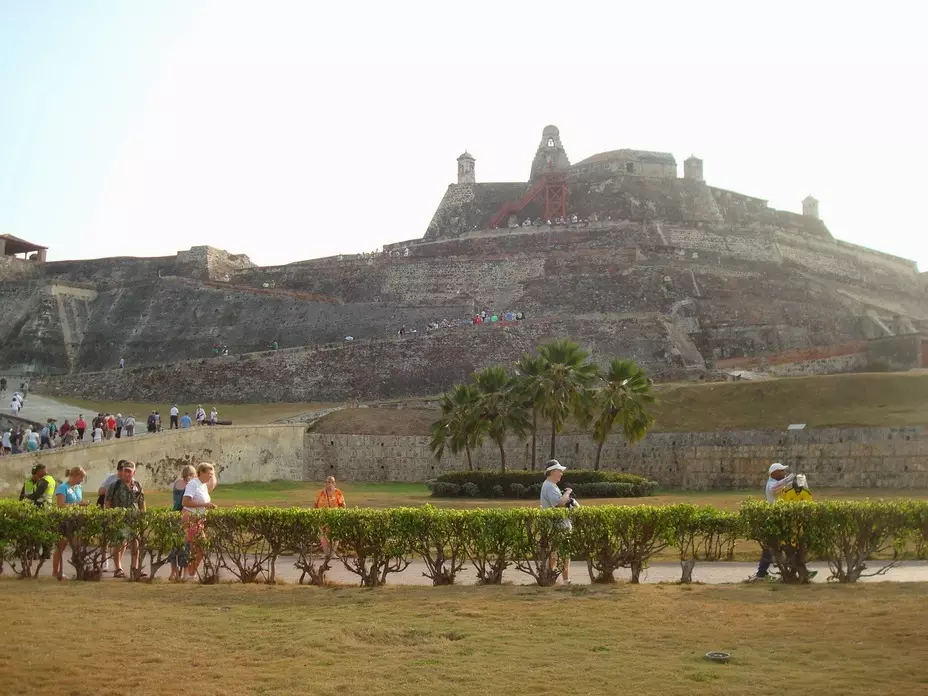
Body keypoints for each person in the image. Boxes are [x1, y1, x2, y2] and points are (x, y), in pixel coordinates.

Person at [748, 463, 817, 582]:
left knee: (788, 547)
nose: (784, 473)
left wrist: (799, 481)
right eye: (781, 471)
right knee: (771, 548)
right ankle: (762, 573)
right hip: (774, 520)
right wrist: (789, 478)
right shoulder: (771, 484)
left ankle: (800, 571)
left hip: (782, 520)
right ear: (774, 473)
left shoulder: (781, 484)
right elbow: (776, 488)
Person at [105, 460, 146, 579]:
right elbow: (107, 502)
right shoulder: (115, 486)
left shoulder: (137, 485)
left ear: (134, 472)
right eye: (125, 471)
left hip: (134, 519)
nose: (127, 474)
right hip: (120, 519)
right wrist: (111, 516)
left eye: (129, 471)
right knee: (120, 543)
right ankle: (118, 568)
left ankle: (134, 568)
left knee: (135, 544)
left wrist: (143, 516)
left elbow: (142, 502)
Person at [540, 459, 574, 585]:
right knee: (562, 552)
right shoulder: (549, 486)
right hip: (558, 524)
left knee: (555, 552)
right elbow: (559, 503)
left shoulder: (550, 486)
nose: (561, 474)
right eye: (559, 471)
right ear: (552, 472)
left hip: (557, 524)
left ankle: (552, 577)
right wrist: (568, 493)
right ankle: (564, 579)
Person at [52, 467, 89, 580]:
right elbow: (61, 505)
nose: (82, 480)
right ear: (74, 476)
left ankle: (79, 571)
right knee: (61, 546)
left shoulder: (78, 487)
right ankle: (55, 571)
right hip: (65, 521)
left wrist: (83, 504)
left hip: (77, 521)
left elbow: (78, 501)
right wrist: (77, 505)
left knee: (77, 546)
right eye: (81, 477)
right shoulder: (62, 488)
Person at [182, 462, 218, 578]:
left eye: (212, 474)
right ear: (201, 473)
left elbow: (212, 486)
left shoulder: (203, 485)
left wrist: (207, 506)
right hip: (190, 518)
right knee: (198, 546)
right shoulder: (193, 484)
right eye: (209, 474)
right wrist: (204, 504)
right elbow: (185, 502)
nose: (211, 476)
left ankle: (190, 573)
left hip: (199, 519)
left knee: (199, 547)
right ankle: (189, 573)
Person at [168, 465, 197, 581]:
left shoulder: (177, 483)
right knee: (186, 545)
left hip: (174, 513)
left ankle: (173, 572)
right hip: (185, 515)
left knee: (174, 544)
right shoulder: (190, 485)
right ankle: (185, 573)